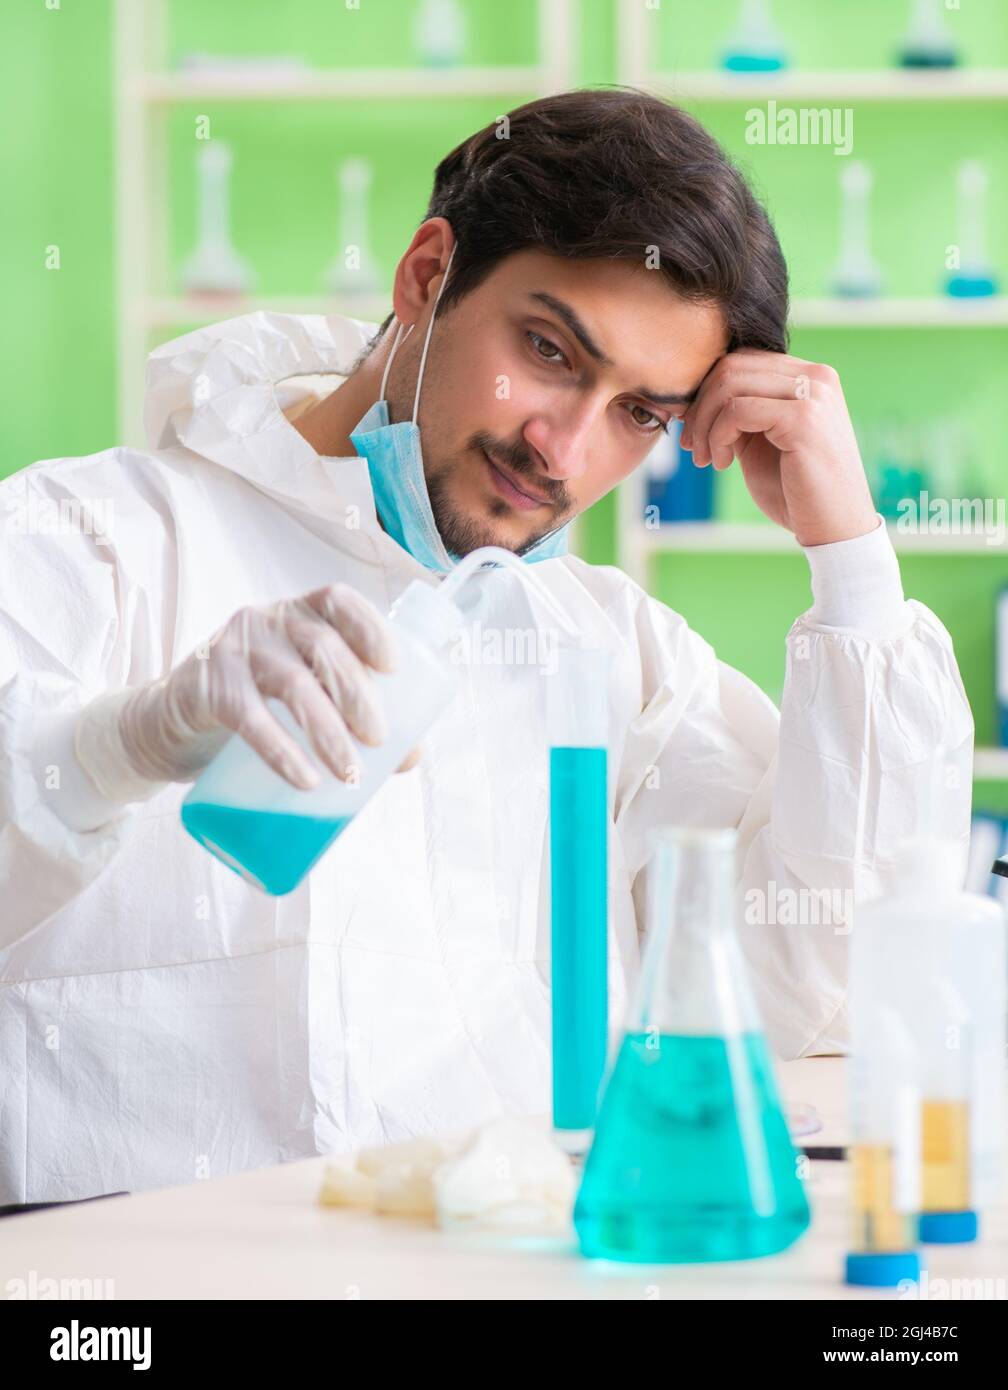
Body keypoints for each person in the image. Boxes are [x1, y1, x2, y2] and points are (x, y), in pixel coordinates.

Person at [0, 89, 971, 1204]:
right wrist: (123, 743)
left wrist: (850, 559)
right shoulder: (94, 540)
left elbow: (823, 971)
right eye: (550, 349)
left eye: (639, 413)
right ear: (425, 274)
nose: (562, 450)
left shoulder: (611, 654)